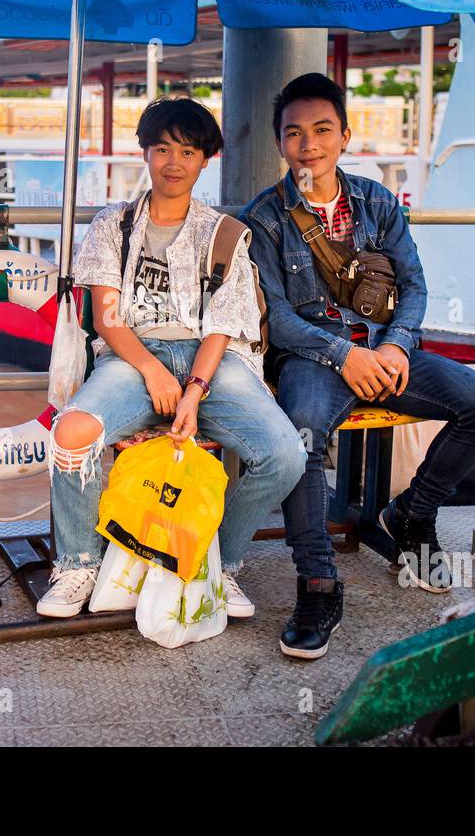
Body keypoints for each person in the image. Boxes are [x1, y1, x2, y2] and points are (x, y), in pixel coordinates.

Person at [241, 73, 475, 660]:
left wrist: (394, 347)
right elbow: (276, 316)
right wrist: (344, 353)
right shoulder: (264, 218)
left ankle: (412, 515)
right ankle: (317, 583)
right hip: (314, 357)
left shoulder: (377, 202)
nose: (309, 144)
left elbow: (413, 285)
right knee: (302, 437)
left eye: (322, 130)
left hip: (387, 352)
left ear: (344, 136)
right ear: (280, 144)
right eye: (294, 133)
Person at [37, 97, 305, 619]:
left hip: (214, 363)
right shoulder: (112, 225)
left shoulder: (225, 234)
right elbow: (108, 318)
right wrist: (154, 370)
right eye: (162, 148)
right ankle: (76, 565)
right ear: (145, 153)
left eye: (187, 150)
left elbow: (224, 326)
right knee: (71, 433)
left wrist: (194, 392)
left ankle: (220, 566)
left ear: (206, 159)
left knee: (285, 454)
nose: (174, 162)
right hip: (134, 357)